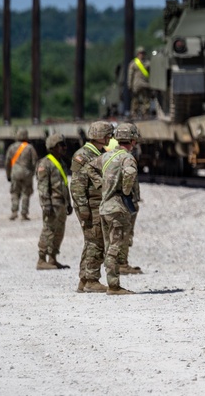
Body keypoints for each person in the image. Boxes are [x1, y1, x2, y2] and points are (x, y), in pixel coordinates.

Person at [97, 122, 141, 295]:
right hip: (117, 208)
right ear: (133, 140)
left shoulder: (106, 156)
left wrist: (102, 187)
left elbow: (90, 169)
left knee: (109, 246)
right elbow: (130, 173)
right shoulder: (127, 158)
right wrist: (126, 191)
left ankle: (112, 283)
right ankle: (113, 286)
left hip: (104, 206)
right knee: (115, 247)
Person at [69, 121, 113, 293]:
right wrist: (83, 207)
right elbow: (77, 185)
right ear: (99, 136)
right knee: (96, 241)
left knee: (91, 241)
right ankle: (92, 280)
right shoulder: (83, 155)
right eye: (108, 135)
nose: (110, 138)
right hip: (89, 205)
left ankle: (84, 279)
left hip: (97, 204)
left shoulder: (99, 153)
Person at [36, 134, 73, 270]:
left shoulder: (61, 162)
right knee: (48, 230)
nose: (64, 147)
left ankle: (52, 258)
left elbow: (64, 184)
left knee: (59, 232)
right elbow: (43, 187)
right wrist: (46, 205)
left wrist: (69, 203)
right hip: (52, 204)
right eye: (61, 145)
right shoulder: (45, 163)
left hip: (61, 204)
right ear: (53, 147)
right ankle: (41, 259)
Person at [4, 128, 37, 220]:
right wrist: (33, 172)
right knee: (26, 193)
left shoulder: (11, 147)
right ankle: (24, 213)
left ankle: (14, 212)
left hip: (15, 173)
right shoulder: (30, 148)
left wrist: (8, 175)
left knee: (15, 192)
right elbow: (35, 162)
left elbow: (7, 163)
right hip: (27, 173)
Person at [127, 46, 151, 119]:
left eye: (142, 53)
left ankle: (145, 114)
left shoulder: (147, 63)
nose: (141, 55)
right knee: (135, 100)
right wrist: (130, 84)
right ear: (137, 54)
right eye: (140, 53)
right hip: (136, 85)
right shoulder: (134, 63)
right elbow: (130, 75)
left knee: (146, 100)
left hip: (145, 84)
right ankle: (134, 114)